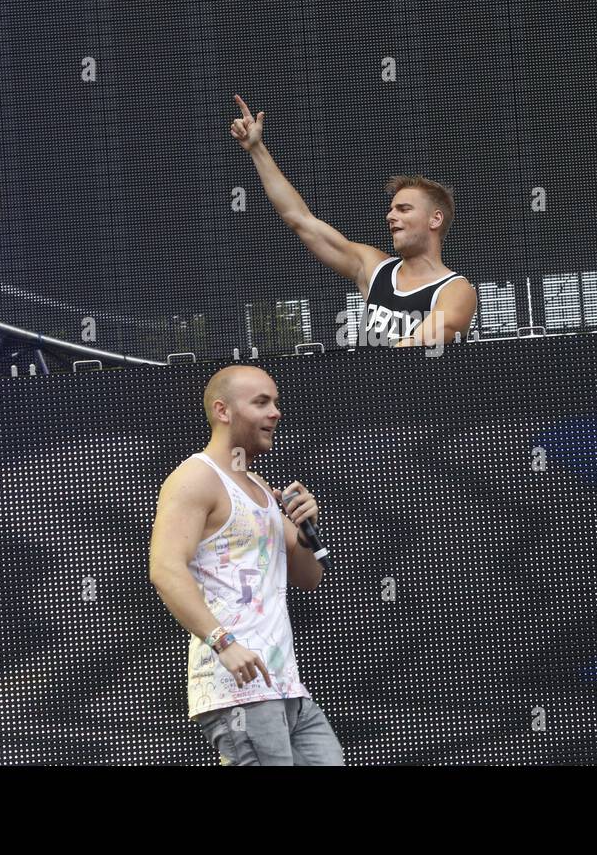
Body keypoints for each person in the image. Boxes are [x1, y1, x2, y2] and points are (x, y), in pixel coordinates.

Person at [148, 364, 344, 765]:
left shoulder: (260, 488)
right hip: (238, 689)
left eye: (275, 402)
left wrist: (307, 530)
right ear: (223, 411)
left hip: (286, 687)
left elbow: (309, 577)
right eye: (261, 402)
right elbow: (166, 569)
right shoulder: (195, 478)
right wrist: (224, 642)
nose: (276, 412)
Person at [229, 93, 477, 348]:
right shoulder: (375, 268)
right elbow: (300, 219)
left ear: (435, 219)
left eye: (404, 209)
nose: (391, 216)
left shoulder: (456, 290)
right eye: (391, 210)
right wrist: (257, 149)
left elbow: (418, 344)